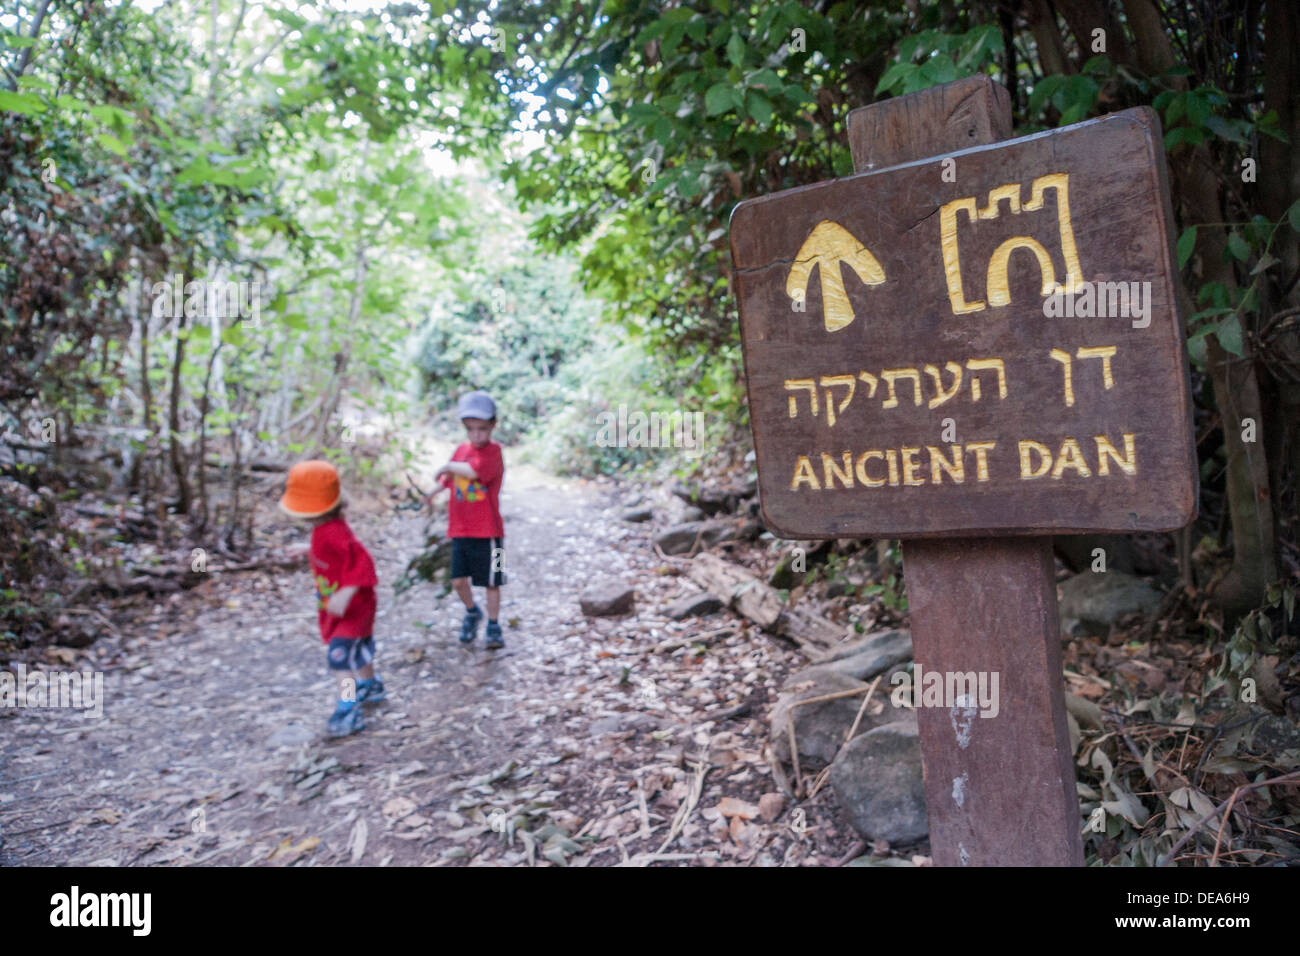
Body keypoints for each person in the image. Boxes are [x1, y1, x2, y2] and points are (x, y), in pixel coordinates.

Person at [279, 460, 385, 737]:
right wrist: (308, 550)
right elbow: (339, 556)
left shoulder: (333, 531)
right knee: (359, 652)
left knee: (340, 660)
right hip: (353, 608)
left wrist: (346, 592)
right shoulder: (326, 529)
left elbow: (363, 562)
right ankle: (371, 685)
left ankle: (348, 708)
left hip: (352, 608)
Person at [426, 391, 506, 649]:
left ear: (492, 425)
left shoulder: (493, 452)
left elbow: (473, 472)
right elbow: (448, 482)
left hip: (491, 533)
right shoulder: (460, 451)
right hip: (460, 530)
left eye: (482, 428)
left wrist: (448, 466)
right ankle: (472, 611)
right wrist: (432, 492)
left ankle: (494, 625)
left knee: (492, 581)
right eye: (471, 429)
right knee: (458, 580)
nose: (476, 435)